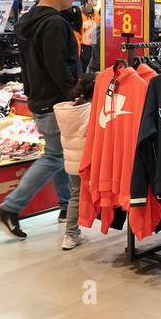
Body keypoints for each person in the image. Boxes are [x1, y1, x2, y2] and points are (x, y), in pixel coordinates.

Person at [0, 0, 81, 237]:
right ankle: (8, 209)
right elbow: (57, 65)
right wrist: (74, 91)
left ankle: (65, 206)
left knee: (59, 153)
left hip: (38, 96)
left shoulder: (29, 20)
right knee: (55, 155)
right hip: (55, 100)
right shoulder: (54, 24)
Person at [53, 73, 95, 251]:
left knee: (76, 195)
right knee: (80, 195)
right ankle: (71, 234)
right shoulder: (89, 111)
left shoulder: (70, 110)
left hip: (72, 161)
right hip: (85, 160)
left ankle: (71, 233)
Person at [78, 0, 100, 69]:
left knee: (93, 67)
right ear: (89, 1)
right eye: (95, 0)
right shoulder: (79, 12)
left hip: (94, 45)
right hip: (83, 45)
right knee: (82, 67)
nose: (97, 2)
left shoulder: (97, 13)